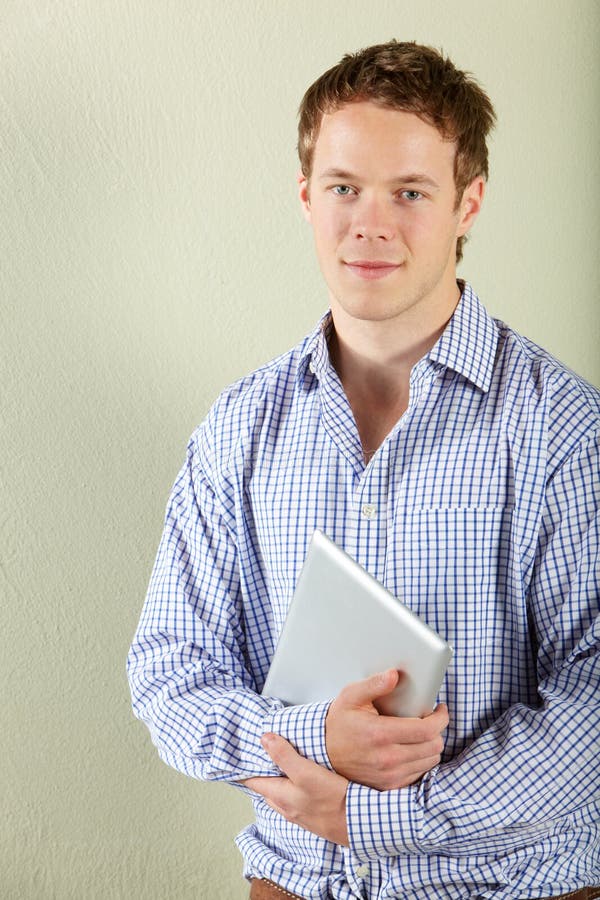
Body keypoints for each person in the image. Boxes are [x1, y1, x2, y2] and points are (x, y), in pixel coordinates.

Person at [127, 41, 600, 900]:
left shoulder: (563, 428)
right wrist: (314, 737)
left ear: (470, 203)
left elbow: (595, 698)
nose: (370, 223)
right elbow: (170, 670)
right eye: (343, 187)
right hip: (298, 879)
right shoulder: (239, 429)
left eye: (410, 192)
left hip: (511, 884)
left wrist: (380, 816)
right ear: (306, 197)